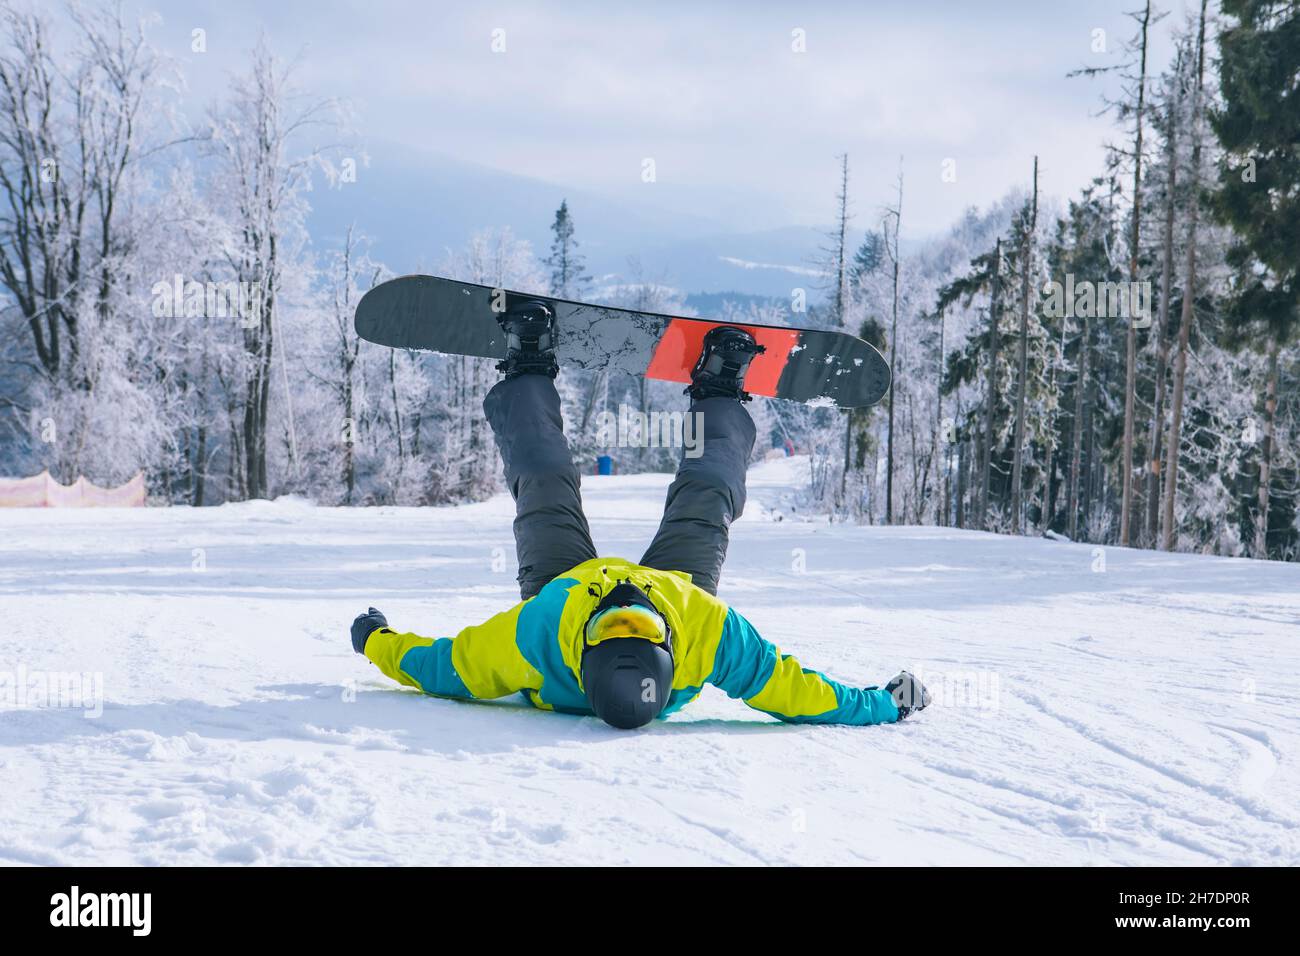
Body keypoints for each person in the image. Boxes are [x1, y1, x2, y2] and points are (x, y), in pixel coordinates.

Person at [350, 300, 930, 729]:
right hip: (677, 587)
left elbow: (441, 667)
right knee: (708, 495)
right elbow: (798, 693)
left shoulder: (537, 637)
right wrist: (885, 703)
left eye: (611, 623)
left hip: (565, 586)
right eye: (640, 624)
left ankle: (528, 367)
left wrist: (377, 640)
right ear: (671, 646)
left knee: (544, 484)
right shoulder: (707, 633)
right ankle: (719, 391)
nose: (625, 600)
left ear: (584, 644)